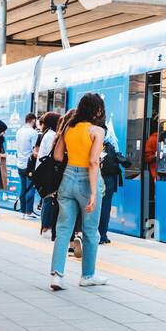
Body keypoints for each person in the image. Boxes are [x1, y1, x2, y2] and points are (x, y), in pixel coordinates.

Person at [48, 94, 107, 290]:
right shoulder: (97, 130)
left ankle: (57, 275)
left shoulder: (68, 128)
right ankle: (87, 275)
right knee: (90, 231)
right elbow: (93, 162)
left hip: (67, 177)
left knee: (64, 229)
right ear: (97, 110)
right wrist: (92, 192)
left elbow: (57, 156)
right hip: (86, 180)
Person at [36, 112, 61, 237]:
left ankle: (45, 227)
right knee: (49, 198)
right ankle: (46, 227)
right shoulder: (51, 135)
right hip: (48, 171)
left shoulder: (47, 134)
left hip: (44, 170)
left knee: (47, 198)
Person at [98, 132, 124, 244]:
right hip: (109, 179)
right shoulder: (111, 143)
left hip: (96, 176)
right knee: (105, 207)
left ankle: (91, 234)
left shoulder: (92, 140)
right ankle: (102, 235)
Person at [14, 112, 39, 220]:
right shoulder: (33, 133)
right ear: (33, 120)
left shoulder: (19, 131)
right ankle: (29, 212)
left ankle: (23, 211)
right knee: (30, 189)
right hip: (29, 165)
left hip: (20, 164)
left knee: (23, 188)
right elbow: (35, 151)